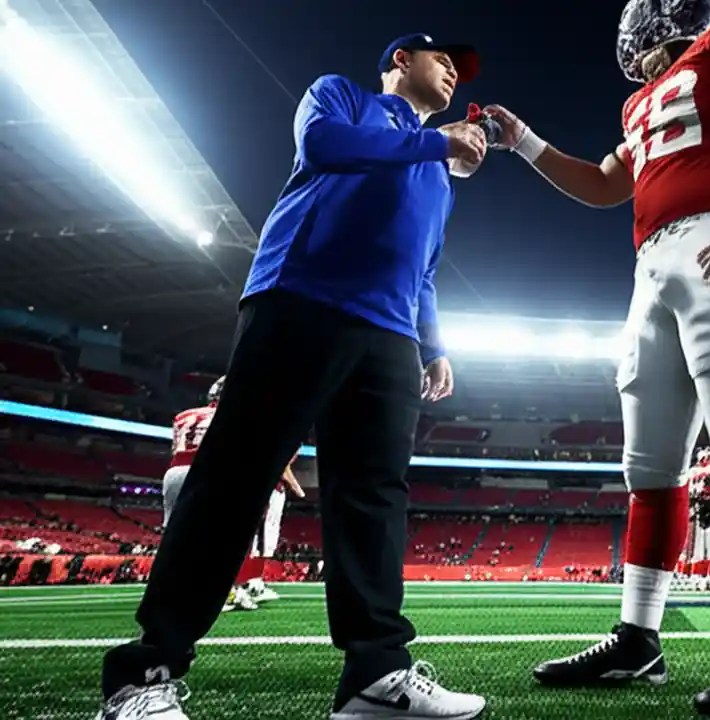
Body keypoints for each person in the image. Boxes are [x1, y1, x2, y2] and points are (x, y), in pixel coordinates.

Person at [95, 32, 490, 720]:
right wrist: (439, 143)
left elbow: (423, 266)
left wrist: (434, 344)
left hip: (392, 334)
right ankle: (144, 673)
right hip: (301, 299)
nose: (453, 70)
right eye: (440, 58)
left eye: (460, 67)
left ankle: (375, 676)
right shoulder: (342, 96)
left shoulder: (435, 171)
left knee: (372, 498)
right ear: (399, 59)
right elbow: (326, 149)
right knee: (235, 477)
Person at [485, 0, 710, 714]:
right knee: (648, 470)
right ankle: (637, 640)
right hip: (652, 268)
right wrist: (523, 140)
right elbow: (602, 183)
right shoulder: (640, 104)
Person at [164, 376, 304, 613]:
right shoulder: (238, 414)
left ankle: (170, 590)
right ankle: (224, 591)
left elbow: (174, 447)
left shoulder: (184, 415)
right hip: (211, 469)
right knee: (220, 534)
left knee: (175, 533)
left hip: (176, 470)